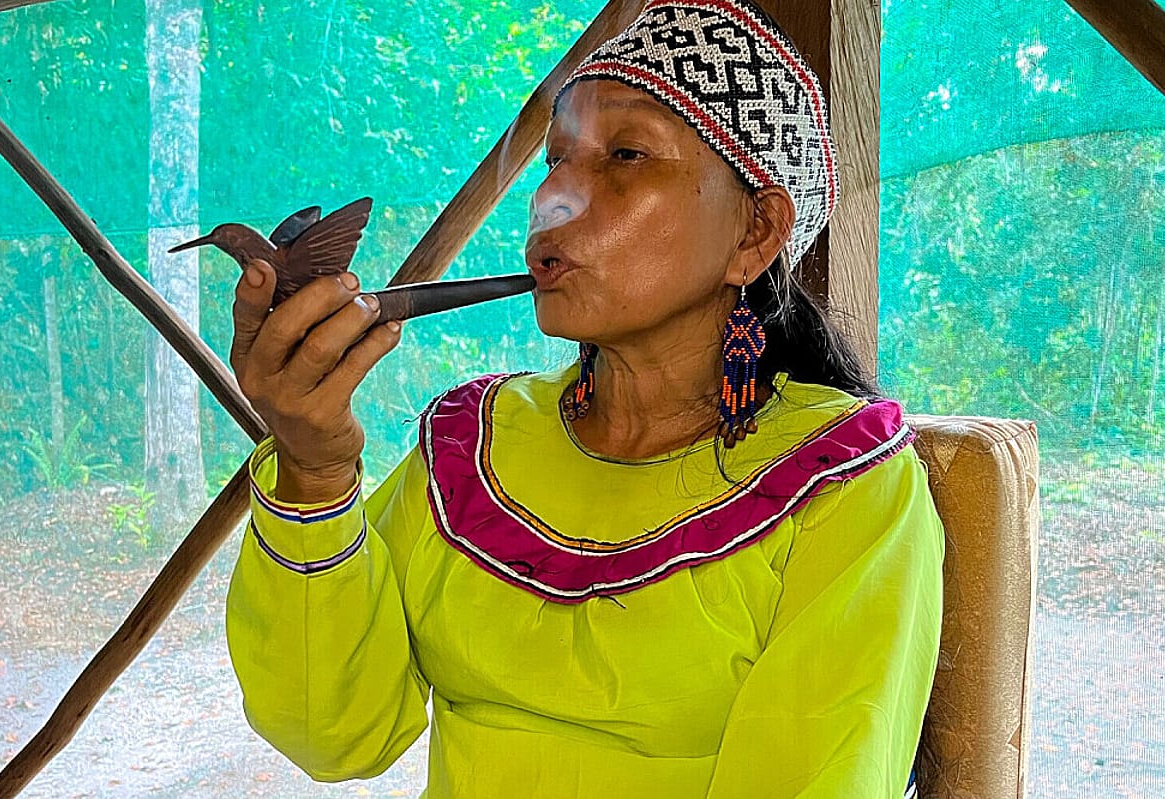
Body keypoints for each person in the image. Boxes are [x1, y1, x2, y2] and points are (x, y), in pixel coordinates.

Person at [225, 1, 943, 796]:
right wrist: (316, 473)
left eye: (626, 154)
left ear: (755, 230)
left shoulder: (843, 485)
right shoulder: (474, 446)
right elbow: (333, 734)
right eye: (554, 163)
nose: (554, 200)